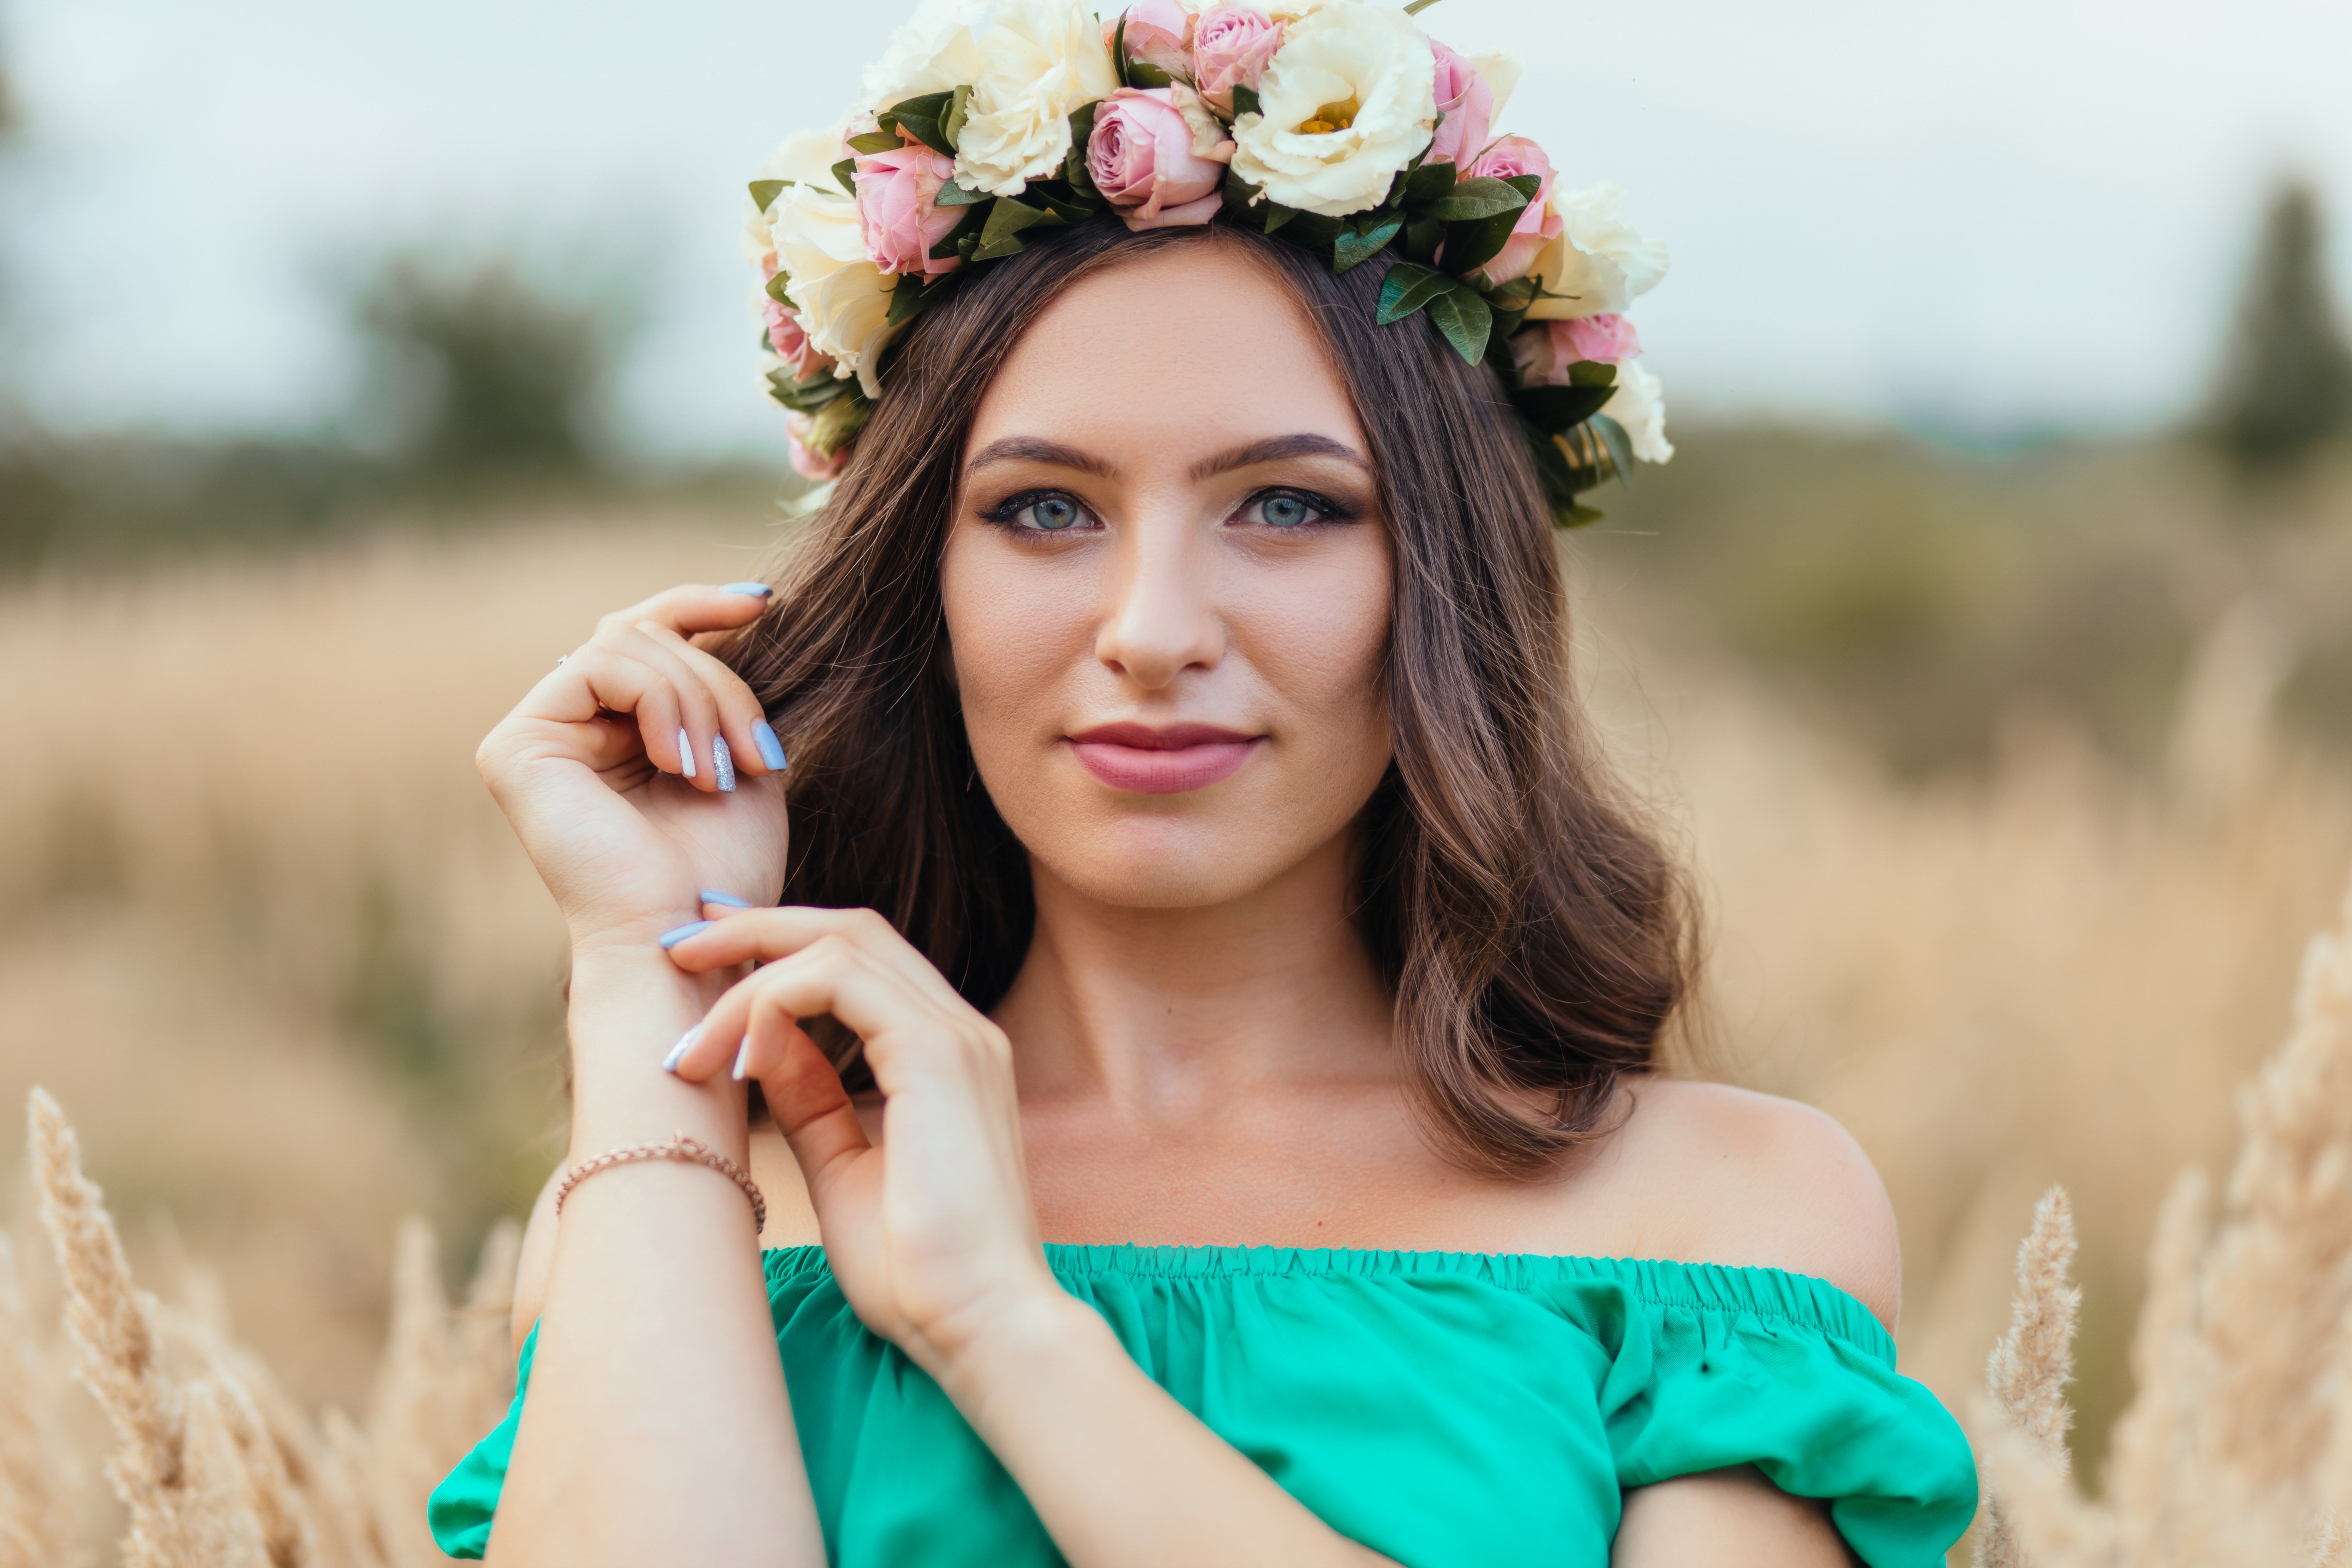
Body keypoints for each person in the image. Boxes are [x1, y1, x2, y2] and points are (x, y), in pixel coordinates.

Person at [431, 7, 1976, 1565]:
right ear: (926, 584)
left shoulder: (1715, 1218)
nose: (1155, 632)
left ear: (1443, 585)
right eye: (1043, 508)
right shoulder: (681, 1205)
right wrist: (647, 970)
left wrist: (1003, 1329)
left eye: (1288, 507)